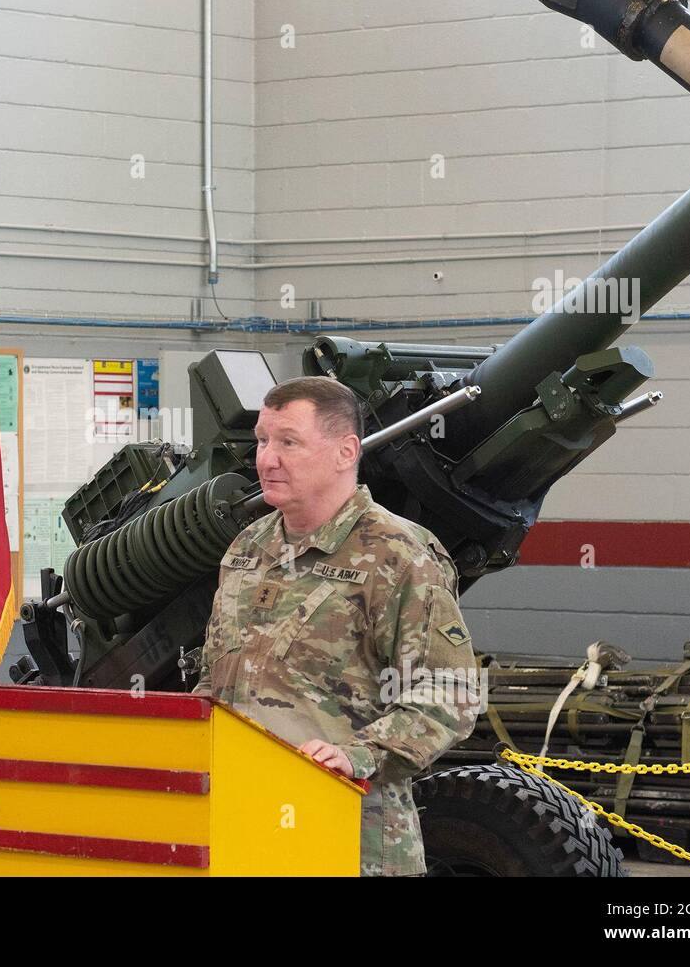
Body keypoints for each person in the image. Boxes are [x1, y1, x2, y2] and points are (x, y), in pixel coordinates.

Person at [192, 376, 481, 877]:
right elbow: (213, 680)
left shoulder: (399, 556)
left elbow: (450, 692)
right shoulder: (247, 550)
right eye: (262, 440)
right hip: (245, 833)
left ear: (346, 451)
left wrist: (359, 754)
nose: (266, 459)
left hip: (354, 838)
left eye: (289, 442)